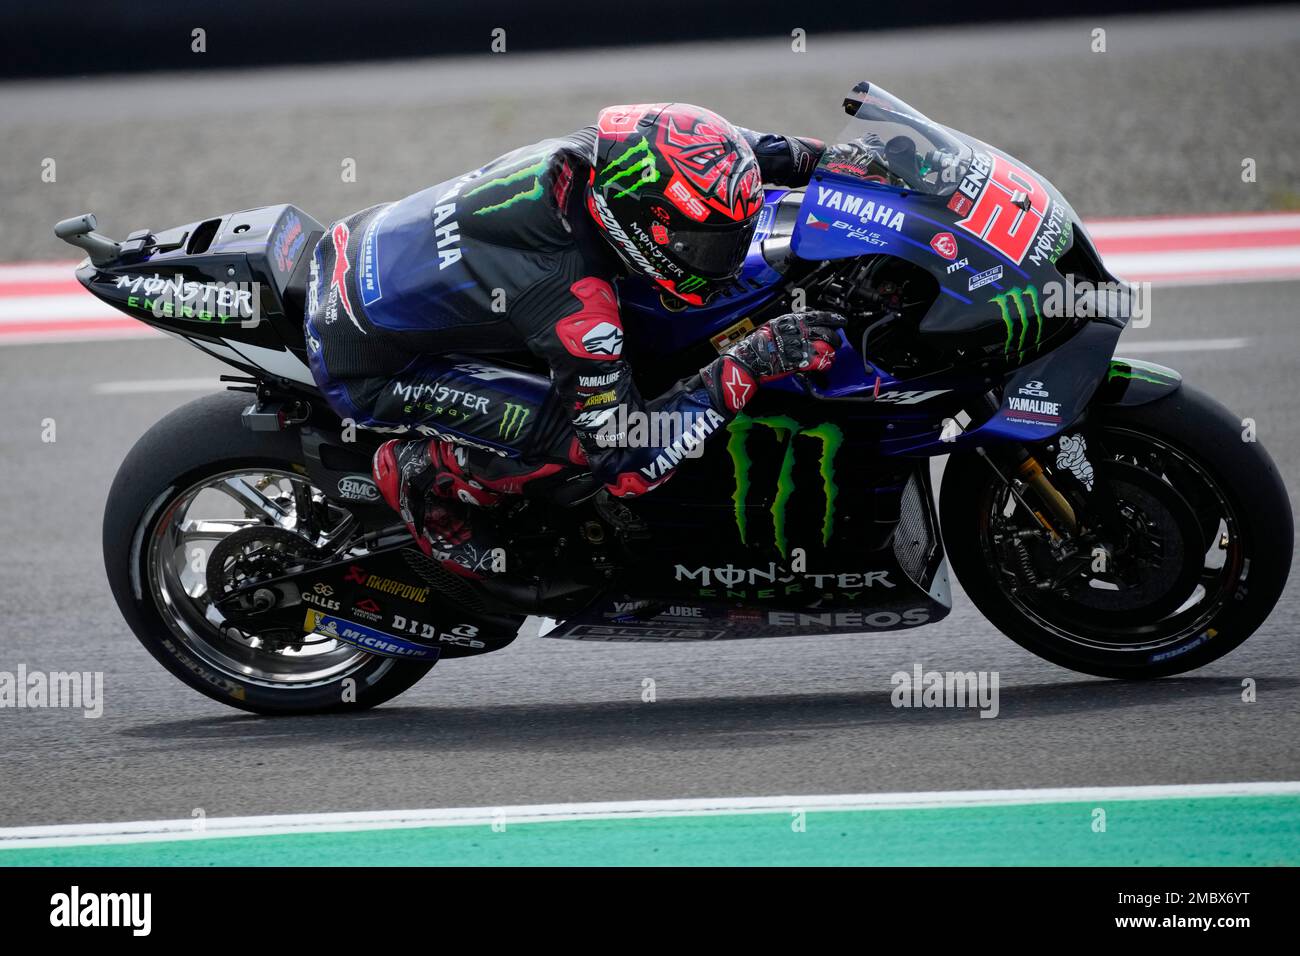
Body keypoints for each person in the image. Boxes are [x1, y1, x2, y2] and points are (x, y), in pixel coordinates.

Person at [304, 102, 843, 578]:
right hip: (373, 362)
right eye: (701, 247)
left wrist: (855, 161)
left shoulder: (620, 151)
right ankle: (427, 472)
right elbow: (629, 461)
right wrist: (747, 365)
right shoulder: (573, 303)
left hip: (365, 246)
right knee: (582, 448)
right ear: (642, 227)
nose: (719, 263)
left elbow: (743, 155)